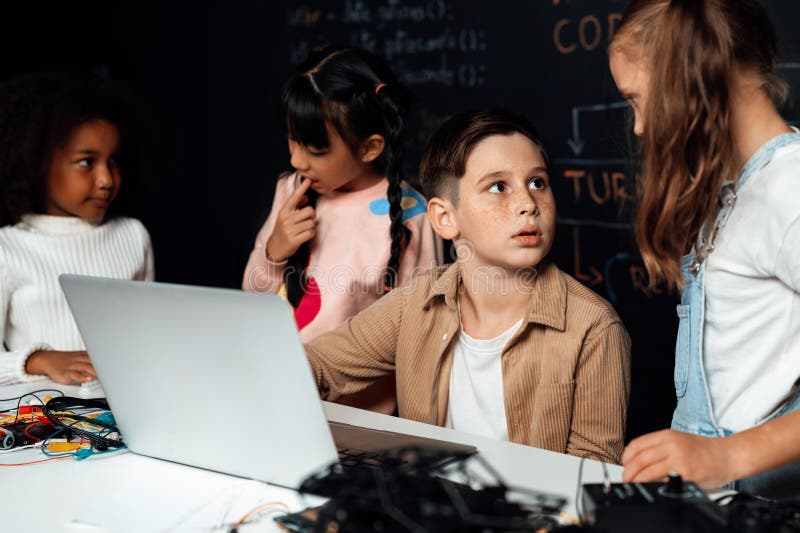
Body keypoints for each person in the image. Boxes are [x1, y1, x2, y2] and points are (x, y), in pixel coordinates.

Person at [301, 109, 631, 462]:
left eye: (537, 182)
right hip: (431, 510)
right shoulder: (416, 302)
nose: (528, 204)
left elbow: (593, 477)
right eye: (498, 187)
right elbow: (313, 366)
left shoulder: (594, 328)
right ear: (445, 218)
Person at [609, 0, 800, 497]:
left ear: (687, 79)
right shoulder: (735, 187)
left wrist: (726, 454)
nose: (640, 128)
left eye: (637, 100)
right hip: (718, 496)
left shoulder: (790, 191)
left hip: (762, 499)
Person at [243, 46, 440, 414]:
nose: (296, 159)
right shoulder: (291, 189)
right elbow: (250, 302)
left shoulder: (410, 214)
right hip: (276, 399)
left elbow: (422, 338)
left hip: (360, 421)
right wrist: (274, 253)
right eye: (291, 138)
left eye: (316, 149)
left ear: (369, 148)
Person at [0, 71, 154, 386]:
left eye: (113, 161)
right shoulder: (7, 248)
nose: (107, 179)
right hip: (40, 422)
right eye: (87, 162)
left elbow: (147, 336)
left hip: (119, 414)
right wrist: (39, 360)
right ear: (39, 163)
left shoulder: (133, 236)